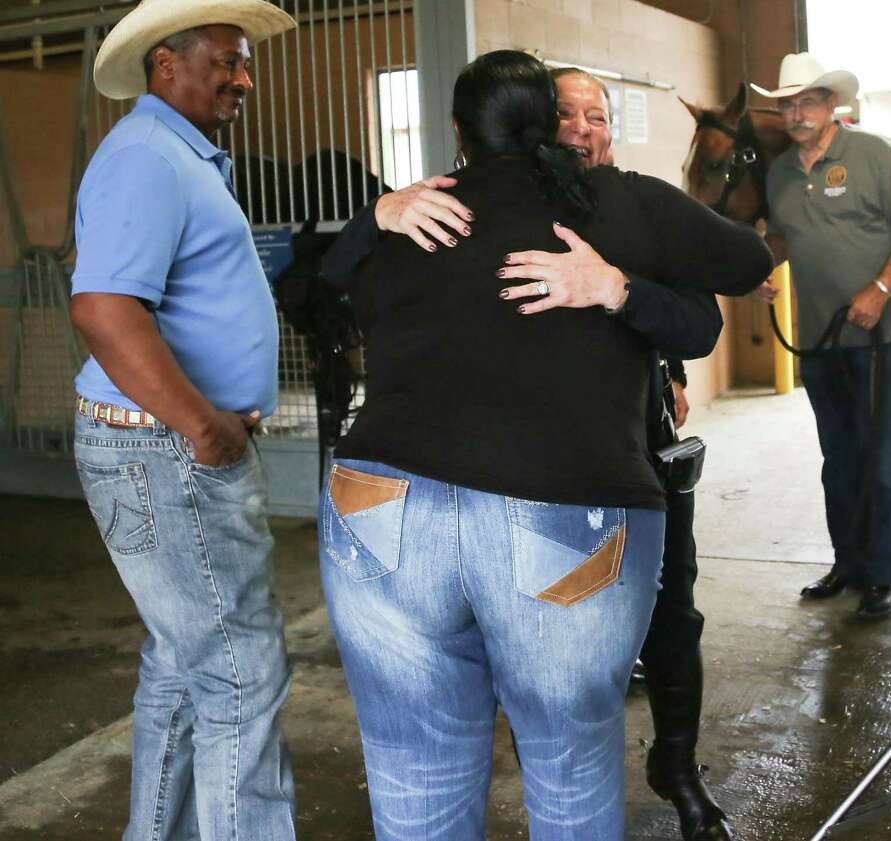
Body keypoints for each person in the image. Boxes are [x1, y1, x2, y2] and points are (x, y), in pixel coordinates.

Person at [318, 50, 770, 841]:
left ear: (459, 130)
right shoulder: (622, 204)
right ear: (547, 125)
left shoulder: (415, 212)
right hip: (560, 506)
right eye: (574, 114)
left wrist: (378, 212)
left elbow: (323, 282)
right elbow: (749, 261)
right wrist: (618, 279)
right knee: (566, 769)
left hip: (378, 507)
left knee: (417, 772)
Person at [67, 2, 299, 840]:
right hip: (164, 449)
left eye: (244, 63)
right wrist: (203, 425)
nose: (243, 79)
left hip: (158, 445)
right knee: (242, 672)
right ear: (166, 63)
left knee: (185, 662)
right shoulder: (148, 157)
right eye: (226, 61)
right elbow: (103, 308)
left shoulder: (175, 153)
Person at [757, 53, 891, 621]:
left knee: (881, 458)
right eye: (788, 104)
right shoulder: (781, 172)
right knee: (838, 457)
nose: (796, 113)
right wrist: (760, 269)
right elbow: (782, 237)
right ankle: (848, 563)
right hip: (820, 338)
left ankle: (881, 575)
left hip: (882, 335)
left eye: (808, 101)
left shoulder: (874, 155)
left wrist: (880, 287)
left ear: (832, 104)